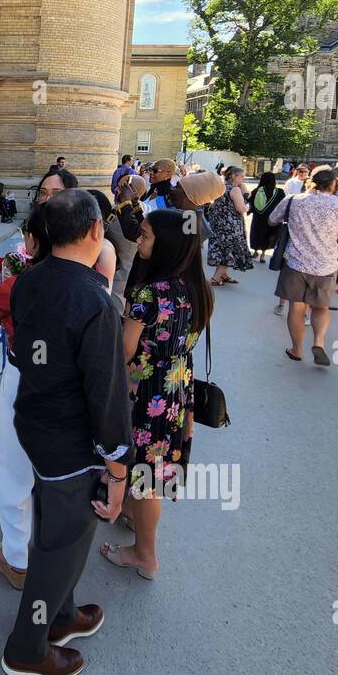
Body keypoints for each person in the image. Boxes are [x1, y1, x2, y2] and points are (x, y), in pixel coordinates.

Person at [1, 190, 133, 675]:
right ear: (96, 232)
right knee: (61, 548)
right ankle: (26, 647)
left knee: (55, 528)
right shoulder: (95, 301)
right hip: (69, 443)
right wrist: (119, 468)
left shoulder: (29, 279)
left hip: (36, 425)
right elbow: (108, 397)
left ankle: (61, 616)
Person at [103, 207, 214, 579]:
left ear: (165, 244)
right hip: (177, 385)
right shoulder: (198, 288)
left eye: (146, 234)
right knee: (154, 465)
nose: (139, 239)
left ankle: (144, 555)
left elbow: (126, 349)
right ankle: (134, 518)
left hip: (146, 387)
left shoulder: (150, 293)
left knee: (146, 475)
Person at [0, 206, 52, 589]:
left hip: (23, 374)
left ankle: (17, 558)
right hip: (65, 382)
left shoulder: (18, 283)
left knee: (13, 468)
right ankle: (46, 550)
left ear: (34, 240)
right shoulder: (85, 280)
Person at [268, 167, 338, 365]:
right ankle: (318, 342)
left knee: (297, 308)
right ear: (333, 185)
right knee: (321, 307)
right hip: (326, 267)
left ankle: (297, 349)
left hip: (295, 264)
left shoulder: (293, 200)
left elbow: (272, 220)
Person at [102, 174, 147, 312]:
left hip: (120, 276)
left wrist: (125, 202)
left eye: (121, 187)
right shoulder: (144, 209)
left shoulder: (120, 213)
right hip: (134, 274)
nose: (116, 190)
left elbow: (132, 231)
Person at [206, 166, 253, 285]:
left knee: (222, 248)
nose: (243, 178)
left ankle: (224, 275)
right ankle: (216, 278)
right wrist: (248, 206)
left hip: (218, 223)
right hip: (231, 225)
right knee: (229, 250)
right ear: (233, 176)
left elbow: (212, 205)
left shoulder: (220, 187)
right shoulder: (235, 190)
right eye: (241, 176)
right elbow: (241, 208)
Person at [247, 171, 284, 261]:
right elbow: (282, 205)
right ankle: (263, 255)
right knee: (268, 235)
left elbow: (250, 202)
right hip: (271, 218)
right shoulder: (279, 192)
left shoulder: (256, 191)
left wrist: (249, 211)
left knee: (257, 234)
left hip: (258, 218)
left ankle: (255, 252)